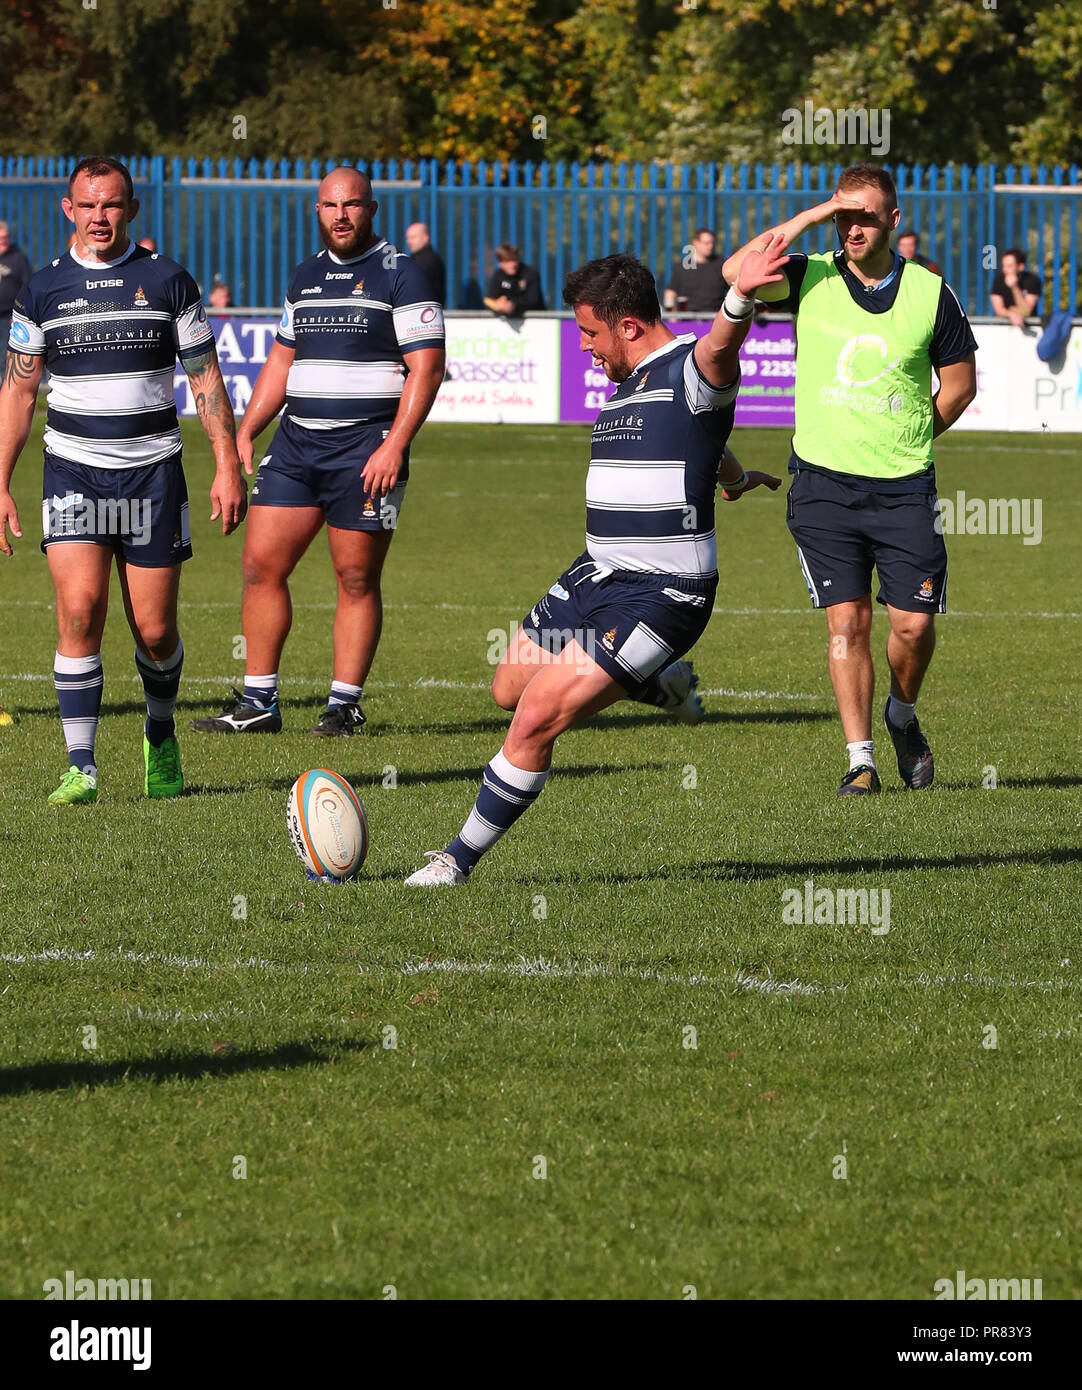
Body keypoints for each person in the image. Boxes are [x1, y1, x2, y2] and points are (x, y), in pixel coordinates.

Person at [404, 245, 786, 886]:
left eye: (589, 332)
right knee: (508, 689)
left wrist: (740, 299)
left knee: (536, 720)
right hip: (596, 572)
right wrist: (736, 475)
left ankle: (454, 861)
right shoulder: (632, 381)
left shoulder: (691, 364)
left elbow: (720, 351)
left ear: (630, 326)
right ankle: (656, 682)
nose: (583, 346)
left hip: (663, 592)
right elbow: (702, 437)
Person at [723, 163, 977, 798]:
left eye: (866, 215)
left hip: (904, 487)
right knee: (849, 623)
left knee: (914, 625)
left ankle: (902, 713)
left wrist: (914, 435)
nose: (853, 226)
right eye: (844, 215)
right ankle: (859, 759)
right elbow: (736, 273)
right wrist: (810, 216)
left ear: (894, 220)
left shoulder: (930, 292)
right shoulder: (810, 274)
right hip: (823, 486)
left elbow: (961, 384)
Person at [0, 157, 247, 805]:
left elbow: (205, 378)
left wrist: (227, 461)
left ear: (131, 210)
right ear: (67, 209)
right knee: (80, 611)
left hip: (153, 477)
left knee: (156, 630)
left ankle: (159, 733)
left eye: (111, 205)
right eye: (87, 205)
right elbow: (19, 394)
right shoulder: (42, 291)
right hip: (73, 475)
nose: (99, 216)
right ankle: (80, 764)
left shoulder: (167, 281)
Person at [191, 167, 445, 738]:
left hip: (367, 448)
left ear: (371, 210)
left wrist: (394, 447)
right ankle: (259, 703)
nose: (341, 215)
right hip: (297, 444)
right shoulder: (305, 276)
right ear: (317, 211)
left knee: (355, 577)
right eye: (330, 205)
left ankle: (344, 706)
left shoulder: (403, 276)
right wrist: (246, 430)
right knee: (260, 566)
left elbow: (427, 370)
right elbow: (283, 360)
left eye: (352, 205)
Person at [663, 227, 727, 314]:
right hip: (688, 321)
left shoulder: (721, 265)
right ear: (695, 243)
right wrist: (672, 317)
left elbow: (733, 290)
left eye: (712, 243)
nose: (710, 246)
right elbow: (670, 293)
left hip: (715, 319)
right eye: (706, 243)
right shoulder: (683, 266)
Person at [0, 221, 33, 355]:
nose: (4, 241)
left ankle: (3, 376)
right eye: (0, 238)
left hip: (8, 314)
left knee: (6, 351)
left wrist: (20, 311)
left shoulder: (17, 257)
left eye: (6, 237)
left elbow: (27, 285)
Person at [484, 244, 545, 316]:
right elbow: (490, 299)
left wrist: (513, 305)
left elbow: (533, 301)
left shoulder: (530, 273)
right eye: (508, 261)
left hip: (536, 321)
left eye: (514, 260)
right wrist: (498, 305)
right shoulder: (498, 275)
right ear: (500, 263)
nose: (513, 264)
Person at [990, 248, 1041, 327]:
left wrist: (1014, 287)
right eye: (1004, 266)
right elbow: (998, 309)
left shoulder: (1032, 281)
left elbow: (1026, 311)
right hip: (1002, 328)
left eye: (1010, 266)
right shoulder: (999, 280)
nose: (1005, 270)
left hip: (1028, 329)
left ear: (1021, 266)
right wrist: (1011, 314)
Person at [405, 222, 446, 306]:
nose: (409, 241)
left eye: (413, 237)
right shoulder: (423, 260)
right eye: (408, 238)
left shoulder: (426, 262)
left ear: (426, 238)